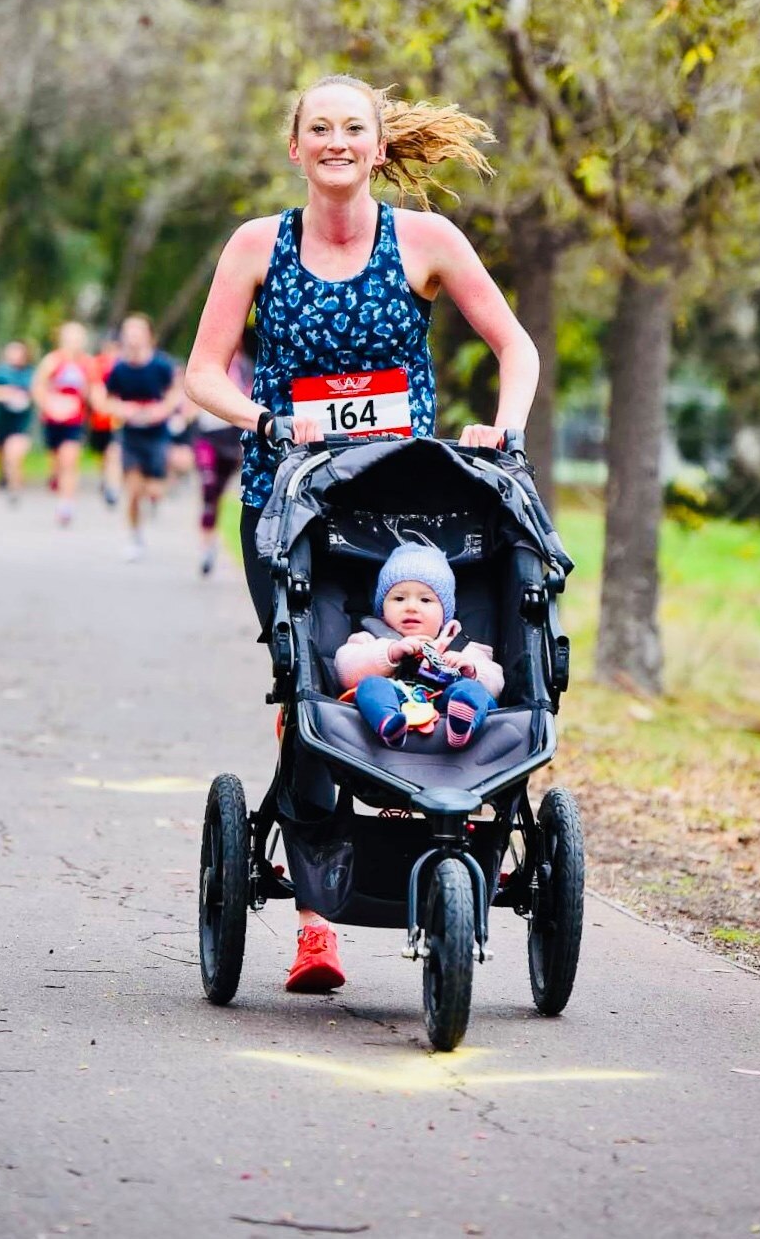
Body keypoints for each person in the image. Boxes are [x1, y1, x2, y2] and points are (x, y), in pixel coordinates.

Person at [184, 72, 539, 996]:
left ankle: (462, 835)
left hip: (409, 517)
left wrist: (506, 425)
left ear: (379, 148)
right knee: (310, 679)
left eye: (354, 128)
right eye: (320, 128)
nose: (337, 141)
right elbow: (202, 374)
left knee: (440, 661)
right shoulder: (258, 245)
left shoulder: (424, 240)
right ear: (294, 148)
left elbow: (517, 347)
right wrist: (264, 420)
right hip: (290, 508)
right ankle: (314, 922)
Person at [334, 543, 503, 749]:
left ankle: (461, 727)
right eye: (399, 598)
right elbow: (345, 671)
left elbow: (496, 682)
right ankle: (388, 724)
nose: (411, 607)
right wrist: (388, 654)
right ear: (382, 610)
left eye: (425, 600)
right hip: (396, 704)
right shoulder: (371, 640)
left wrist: (471, 671)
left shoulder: (460, 646)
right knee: (370, 686)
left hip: (444, 711)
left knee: (471, 691)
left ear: (444, 614)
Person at [96, 314, 182, 561]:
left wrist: (161, 411)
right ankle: (134, 536)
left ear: (148, 336)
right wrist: (124, 410)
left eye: (137, 331)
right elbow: (107, 400)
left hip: (157, 435)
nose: (132, 337)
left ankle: (155, 498)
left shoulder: (161, 366)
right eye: (128, 332)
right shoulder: (119, 369)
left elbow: (175, 393)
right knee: (132, 490)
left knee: (153, 490)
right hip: (131, 435)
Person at [188, 339, 254, 577]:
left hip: (232, 438)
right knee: (208, 487)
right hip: (207, 435)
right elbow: (189, 392)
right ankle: (205, 545)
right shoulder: (202, 364)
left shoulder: (246, 368)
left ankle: (211, 538)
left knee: (218, 491)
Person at [31, 322, 95, 526]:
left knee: (70, 460)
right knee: (57, 462)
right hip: (52, 419)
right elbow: (38, 386)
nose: (73, 342)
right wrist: (49, 406)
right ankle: (55, 478)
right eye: (70, 337)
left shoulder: (87, 363)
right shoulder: (52, 360)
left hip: (74, 420)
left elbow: (92, 391)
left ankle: (66, 505)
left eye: (77, 338)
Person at [0, 341, 34, 502]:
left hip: (21, 425)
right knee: (0, 456)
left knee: (14, 455)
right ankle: (3, 475)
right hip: (2, 423)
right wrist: (5, 394)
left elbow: (37, 391)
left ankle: (15, 488)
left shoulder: (30, 374)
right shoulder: (0, 373)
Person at [90, 330, 123, 507]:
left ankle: (113, 487)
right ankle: (106, 478)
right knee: (103, 453)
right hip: (100, 418)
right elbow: (95, 388)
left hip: (118, 419)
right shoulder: (98, 364)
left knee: (114, 452)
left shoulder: (124, 364)